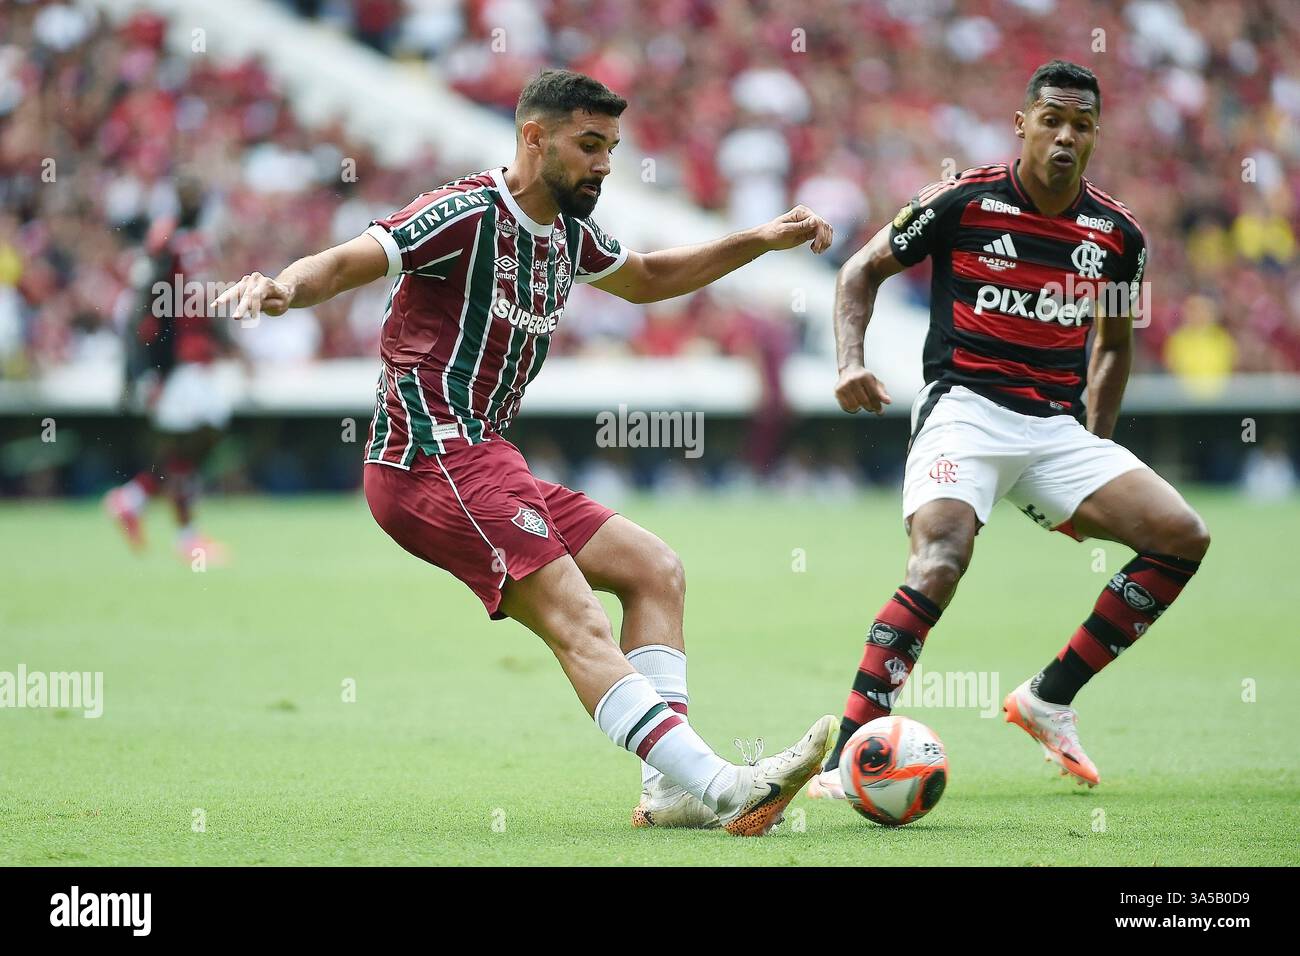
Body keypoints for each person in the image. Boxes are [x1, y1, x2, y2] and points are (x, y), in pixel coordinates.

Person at [212, 69, 837, 835]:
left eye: (611, 148)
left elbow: (646, 278)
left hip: (486, 455)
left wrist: (759, 240)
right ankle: (722, 786)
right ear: (534, 138)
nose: (604, 164)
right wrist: (283, 287)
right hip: (428, 457)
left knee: (654, 570)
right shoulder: (463, 213)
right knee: (577, 617)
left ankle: (670, 792)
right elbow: (347, 262)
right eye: (589, 144)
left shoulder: (569, 232)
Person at [811, 60, 1210, 797]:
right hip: (964, 409)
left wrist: (1096, 444)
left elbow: (1114, 346)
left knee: (1183, 537)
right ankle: (849, 754)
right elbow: (859, 271)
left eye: (1081, 125)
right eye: (1051, 120)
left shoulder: (1118, 235)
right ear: (1022, 124)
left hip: (1055, 429)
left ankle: (1048, 698)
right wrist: (848, 363)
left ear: (1095, 135)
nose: (1065, 136)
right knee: (940, 560)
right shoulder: (962, 201)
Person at [107, 175, 232, 565]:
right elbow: (144, 306)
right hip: (175, 361)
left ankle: (133, 499)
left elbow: (204, 302)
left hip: (197, 358)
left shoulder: (199, 242)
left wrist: (228, 342)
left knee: (191, 444)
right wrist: (136, 370)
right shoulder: (164, 240)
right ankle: (184, 535)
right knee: (193, 439)